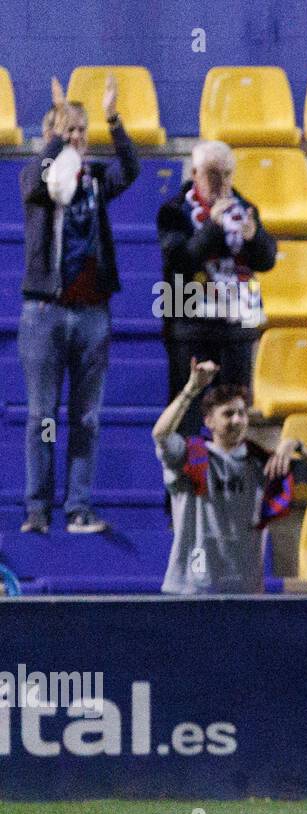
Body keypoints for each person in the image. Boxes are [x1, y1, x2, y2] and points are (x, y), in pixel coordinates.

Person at [19, 74, 139, 534]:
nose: (76, 138)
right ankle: (37, 509)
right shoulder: (39, 180)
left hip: (91, 316)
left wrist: (112, 118)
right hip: (46, 315)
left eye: (81, 132)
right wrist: (55, 142)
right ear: (51, 136)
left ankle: (78, 508)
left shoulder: (93, 184)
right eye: (68, 130)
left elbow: (130, 169)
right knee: (43, 417)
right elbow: (35, 184)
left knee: (86, 418)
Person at [152, 358, 307, 594]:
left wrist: (295, 445)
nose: (237, 420)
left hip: (245, 589)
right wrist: (190, 389)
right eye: (228, 414)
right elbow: (161, 434)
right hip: (191, 588)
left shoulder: (264, 462)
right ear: (209, 421)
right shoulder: (190, 456)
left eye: (241, 413)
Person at [157, 140, 277, 436]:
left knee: (234, 418)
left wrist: (254, 238)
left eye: (226, 174)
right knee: (188, 422)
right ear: (195, 173)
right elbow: (180, 262)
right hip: (190, 329)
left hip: (236, 329)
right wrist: (211, 226)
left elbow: (267, 259)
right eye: (212, 174)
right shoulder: (174, 211)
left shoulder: (245, 208)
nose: (221, 182)